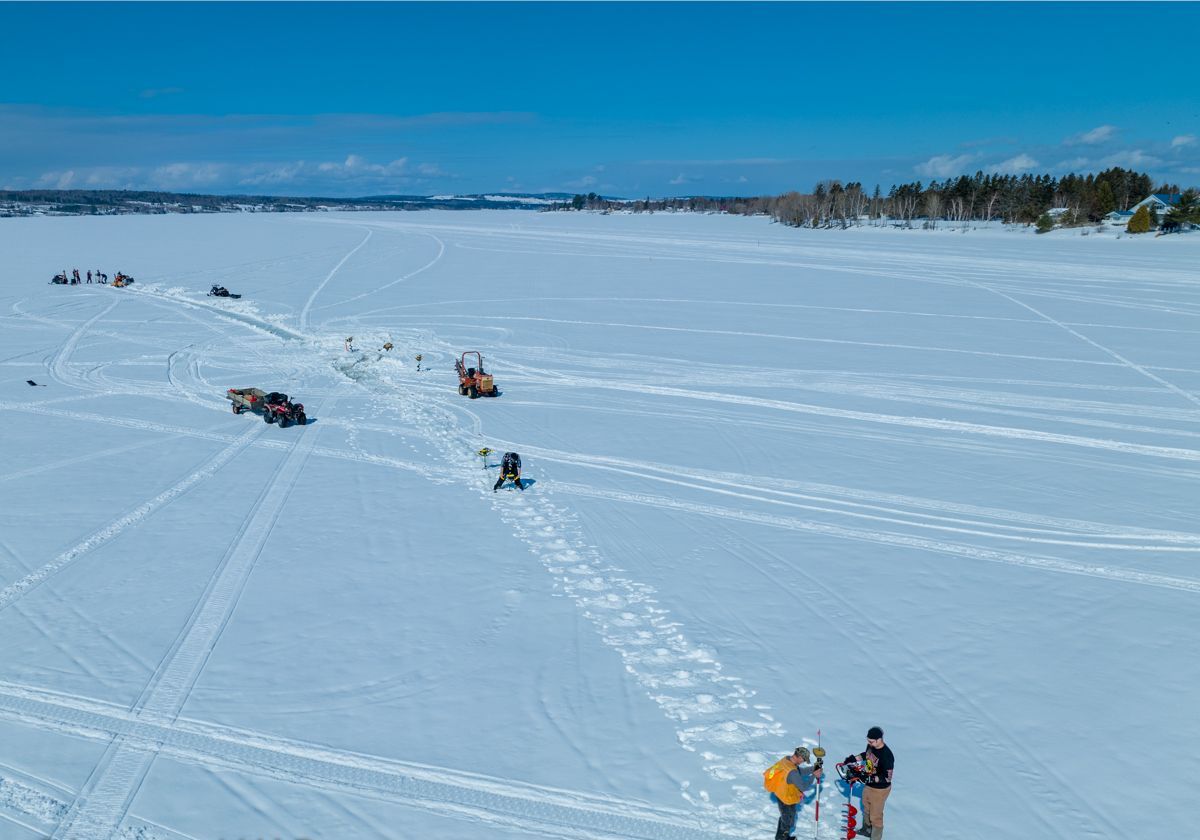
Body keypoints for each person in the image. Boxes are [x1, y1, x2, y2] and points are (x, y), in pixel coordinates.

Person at [843, 727, 894, 839]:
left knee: (875, 815)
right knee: (866, 808)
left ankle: (875, 837)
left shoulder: (887, 756)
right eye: (868, 740)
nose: (869, 743)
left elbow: (887, 777)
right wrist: (853, 758)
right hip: (868, 783)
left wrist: (870, 779)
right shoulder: (871, 746)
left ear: (879, 739)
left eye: (871, 741)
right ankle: (866, 830)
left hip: (880, 789)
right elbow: (866, 755)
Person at [763, 746, 822, 840]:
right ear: (799, 757)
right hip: (787, 799)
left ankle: (780, 836)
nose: (803, 762)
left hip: (781, 793)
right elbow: (803, 787)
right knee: (788, 821)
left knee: (786, 817)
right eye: (803, 760)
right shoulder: (792, 772)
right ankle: (782, 838)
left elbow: (800, 771)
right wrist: (813, 776)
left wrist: (813, 768)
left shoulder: (786, 760)